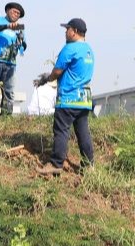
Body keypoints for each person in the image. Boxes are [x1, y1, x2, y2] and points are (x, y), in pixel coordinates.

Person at [34, 19, 94, 176]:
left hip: (68, 98)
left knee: (61, 131)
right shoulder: (89, 50)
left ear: (73, 31)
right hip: (84, 100)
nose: (65, 32)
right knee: (83, 133)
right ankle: (88, 165)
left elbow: (57, 72)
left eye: (67, 29)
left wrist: (47, 78)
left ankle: (56, 164)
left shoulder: (70, 48)